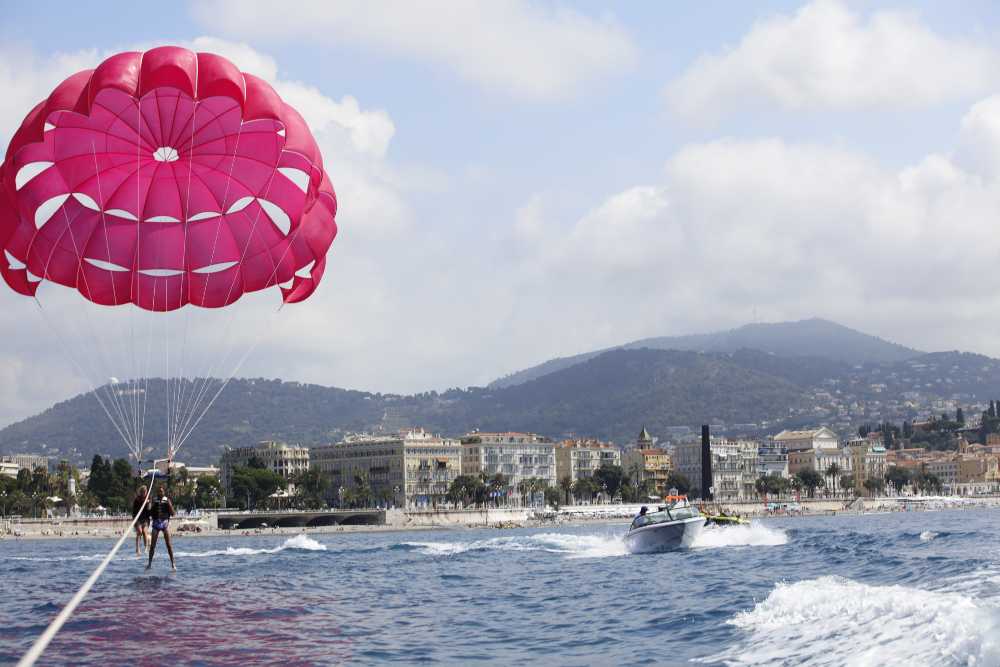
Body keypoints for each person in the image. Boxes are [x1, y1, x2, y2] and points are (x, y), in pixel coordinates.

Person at [146, 484, 176, 571]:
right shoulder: (154, 500)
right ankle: (149, 564)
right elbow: (149, 512)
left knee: (169, 545)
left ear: (164, 492)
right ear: (157, 492)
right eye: (159, 491)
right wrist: (149, 503)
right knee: (152, 546)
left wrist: (169, 505)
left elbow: (173, 513)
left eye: (162, 491)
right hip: (156, 523)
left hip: (164, 523)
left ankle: (173, 563)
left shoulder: (167, 500)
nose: (160, 492)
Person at [131, 485, 150, 556]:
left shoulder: (148, 499)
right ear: (141, 492)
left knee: (145, 532)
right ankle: (138, 549)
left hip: (145, 519)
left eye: (145, 492)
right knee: (139, 532)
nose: (144, 493)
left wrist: (148, 503)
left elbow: (149, 510)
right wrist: (134, 520)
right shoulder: (137, 499)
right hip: (137, 518)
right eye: (143, 492)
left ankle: (146, 548)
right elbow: (134, 510)